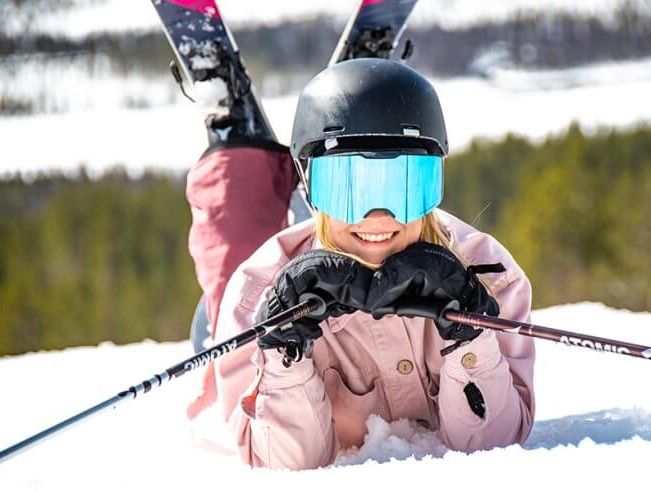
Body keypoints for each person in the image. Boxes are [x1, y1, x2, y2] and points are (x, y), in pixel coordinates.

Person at [186, 59, 535, 469]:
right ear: (312, 184)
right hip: (240, 350)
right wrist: (285, 351)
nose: (376, 216)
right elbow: (286, 465)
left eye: (404, 186)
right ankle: (234, 135)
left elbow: (497, 444)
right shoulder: (253, 298)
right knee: (230, 267)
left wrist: (470, 335)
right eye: (347, 188)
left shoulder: (488, 277)